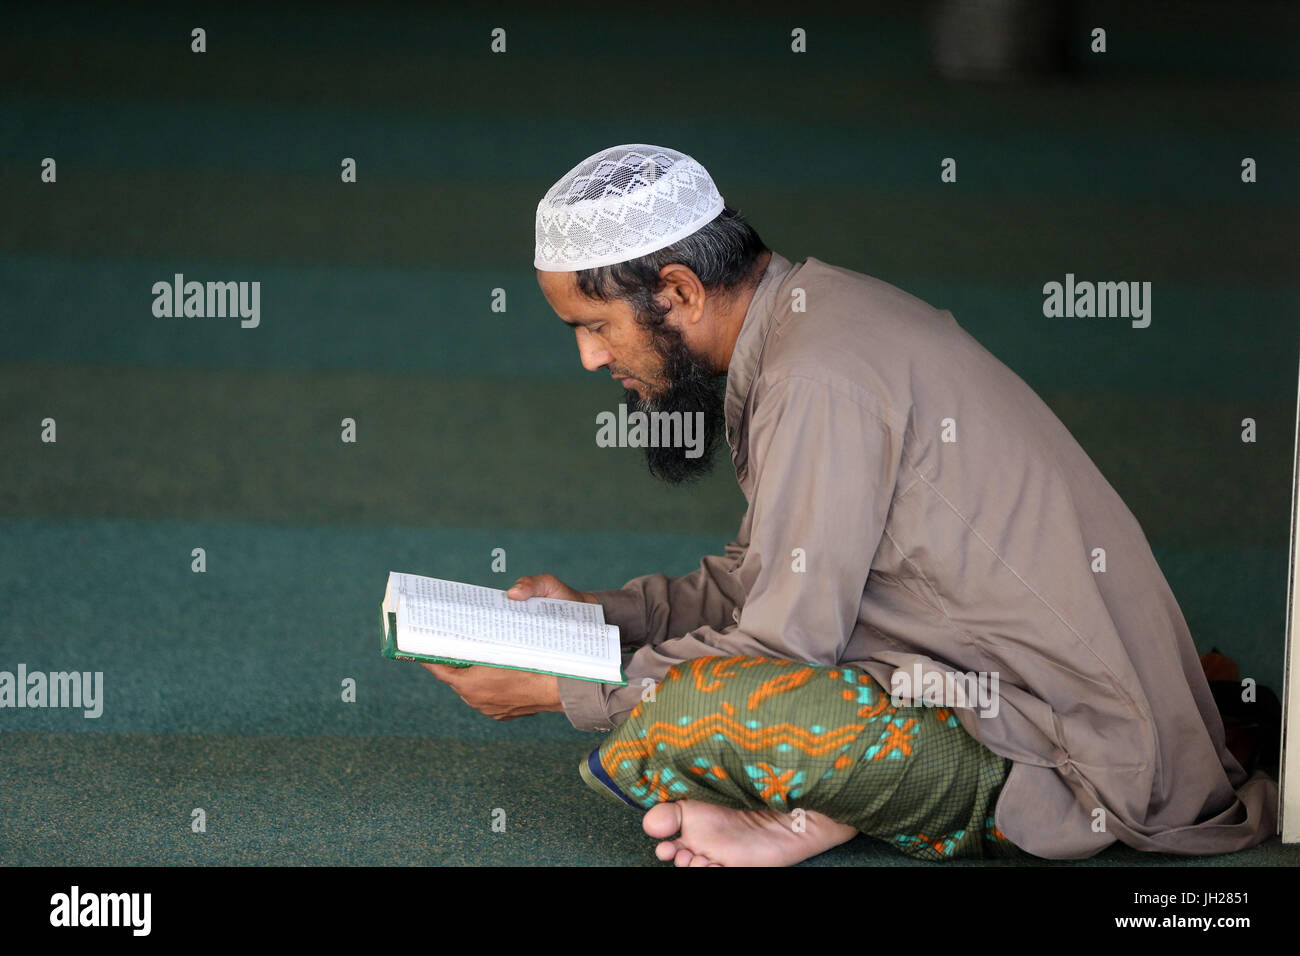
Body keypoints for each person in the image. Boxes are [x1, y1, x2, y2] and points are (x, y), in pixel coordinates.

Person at [422, 143, 1278, 866]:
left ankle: (914, 803)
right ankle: (805, 817)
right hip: (1002, 679)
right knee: (686, 696)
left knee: (688, 714)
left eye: (594, 324)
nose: (587, 358)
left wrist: (558, 687)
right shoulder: (811, 322)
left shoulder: (816, 375)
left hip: (1081, 752)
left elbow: (779, 646)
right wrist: (592, 626)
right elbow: (760, 578)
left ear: (677, 291)